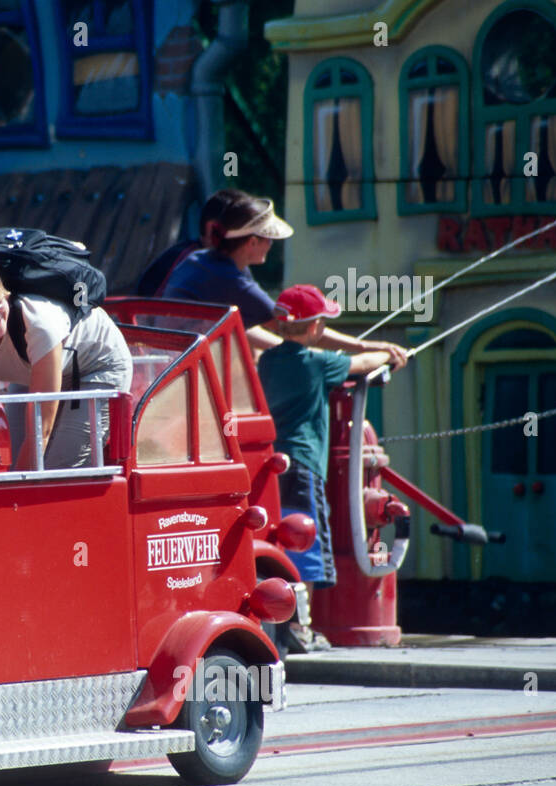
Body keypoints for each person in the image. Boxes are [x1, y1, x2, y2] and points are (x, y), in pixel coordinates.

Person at [257, 284, 407, 653]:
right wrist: (387, 352)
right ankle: (300, 628)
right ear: (315, 327)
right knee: (306, 541)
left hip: (273, 465)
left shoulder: (267, 361)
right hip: (306, 464)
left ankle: (282, 624)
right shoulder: (316, 362)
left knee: (282, 540)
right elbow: (361, 365)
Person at [0, 255, 132, 470]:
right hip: (32, 370)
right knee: (6, 461)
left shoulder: (38, 324)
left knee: (60, 471)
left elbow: (39, 432)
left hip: (95, 367)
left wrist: (14, 500)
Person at [162, 194, 409, 365]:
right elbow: (297, 327)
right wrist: (368, 347)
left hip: (177, 358)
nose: (272, 245)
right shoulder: (232, 280)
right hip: (186, 364)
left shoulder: (206, 260)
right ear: (252, 242)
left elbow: (253, 328)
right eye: (268, 238)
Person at [135, 188, 243, 297]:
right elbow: (155, 307)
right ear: (212, 228)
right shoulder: (186, 260)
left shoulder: (227, 264)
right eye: (241, 229)